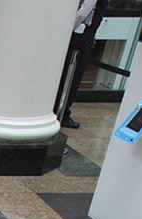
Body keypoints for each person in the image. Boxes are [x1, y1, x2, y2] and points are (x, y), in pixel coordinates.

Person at [56, 0, 108, 129]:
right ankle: (62, 111)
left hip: (80, 34)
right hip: (80, 37)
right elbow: (82, 13)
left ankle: (61, 109)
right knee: (72, 75)